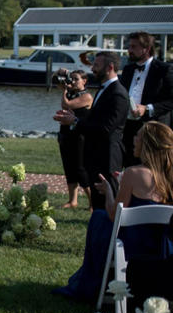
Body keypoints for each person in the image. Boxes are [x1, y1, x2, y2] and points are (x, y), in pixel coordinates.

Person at [53, 121, 173, 303]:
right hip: (164, 246)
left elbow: (115, 215)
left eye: (138, 136)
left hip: (133, 246)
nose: (134, 139)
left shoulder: (134, 174)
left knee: (99, 217)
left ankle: (90, 282)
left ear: (147, 144)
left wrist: (109, 191)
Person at [54, 51, 128, 210]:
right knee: (99, 203)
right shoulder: (104, 89)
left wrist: (74, 121)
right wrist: (72, 119)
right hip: (96, 153)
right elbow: (94, 120)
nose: (92, 68)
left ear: (110, 67)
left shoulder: (118, 94)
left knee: (108, 200)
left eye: (96, 65)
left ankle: (110, 229)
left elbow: (106, 128)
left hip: (108, 155)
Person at [119, 31, 173, 167]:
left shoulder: (164, 69)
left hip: (153, 130)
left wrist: (147, 108)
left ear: (147, 49)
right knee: (130, 167)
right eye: (129, 46)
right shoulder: (128, 69)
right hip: (128, 129)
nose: (129, 50)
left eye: (133, 47)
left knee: (153, 171)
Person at [54, 70, 93, 209]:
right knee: (69, 167)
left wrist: (64, 91)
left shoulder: (87, 96)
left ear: (84, 81)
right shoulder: (71, 91)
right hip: (66, 133)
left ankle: (92, 202)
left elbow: (67, 105)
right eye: (72, 79)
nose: (73, 81)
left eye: (76, 79)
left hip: (80, 136)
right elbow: (55, 80)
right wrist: (60, 72)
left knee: (80, 168)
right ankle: (73, 200)